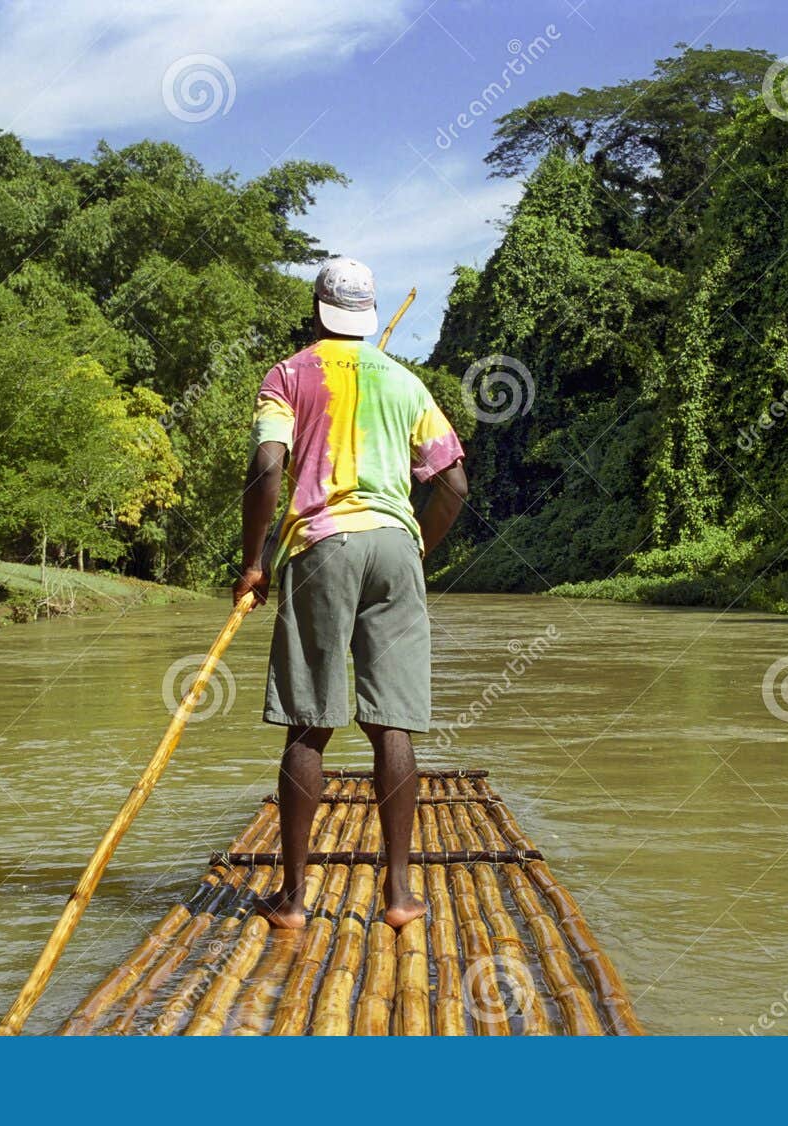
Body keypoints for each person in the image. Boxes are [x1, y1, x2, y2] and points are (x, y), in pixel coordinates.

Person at [232, 257, 469, 931]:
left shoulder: (289, 374)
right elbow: (453, 484)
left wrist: (254, 561)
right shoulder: (404, 381)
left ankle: (295, 900)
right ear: (367, 317)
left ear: (316, 308)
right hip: (395, 547)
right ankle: (398, 897)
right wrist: (416, 545)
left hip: (321, 546)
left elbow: (267, 463)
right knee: (391, 721)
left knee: (310, 719)